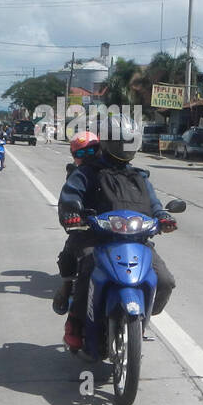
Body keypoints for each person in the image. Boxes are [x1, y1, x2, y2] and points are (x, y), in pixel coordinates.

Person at [57, 115, 176, 350]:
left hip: (136, 241)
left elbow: (153, 203)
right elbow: (71, 196)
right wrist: (72, 213)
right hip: (97, 239)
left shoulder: (138, 177)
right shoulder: (88, 172)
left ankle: (141, 319)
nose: (126, 148)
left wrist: (163, 216)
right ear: (109, 142)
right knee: (89, 270)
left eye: (130, 143)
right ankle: (76, 322)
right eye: (122, 143)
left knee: (165, 280)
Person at [52, 131, 101, 314]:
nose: (87, 157)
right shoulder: (76, 174)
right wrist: (71, 215)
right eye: (80, 153)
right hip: (85, 224)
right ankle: (66, 288)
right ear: (74, 156)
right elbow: (67, 198)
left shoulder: (111, 170)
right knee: (70, 252)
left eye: (92, 151)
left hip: (113, 226)